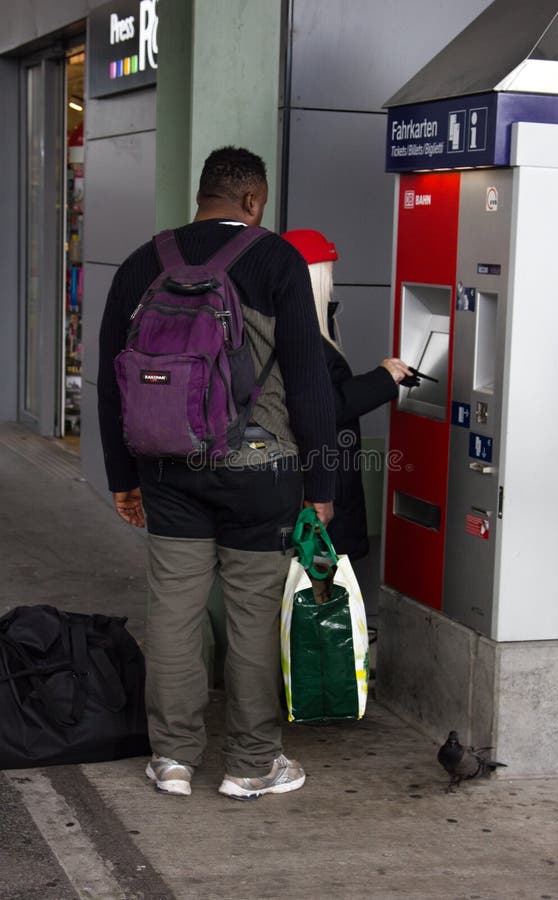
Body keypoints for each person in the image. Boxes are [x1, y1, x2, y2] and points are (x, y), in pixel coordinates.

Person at [98, 147, 336, 799]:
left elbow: (111, 379)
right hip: (260, 471)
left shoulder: (143, 263)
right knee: (252, 616)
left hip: (167, 469)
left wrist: (123, 476)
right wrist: (321, 487)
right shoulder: (276, 260)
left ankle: (173, 760)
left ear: (203, 196)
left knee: (173, 611)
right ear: (253, 201)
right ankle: (253, 764)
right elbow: (312, 382)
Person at [281, 228, 412, 561]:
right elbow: (327, 405)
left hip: (297, 474)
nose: (334, 279)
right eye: (329, 270)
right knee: (322, 586)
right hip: (320, 479)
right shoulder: (306, 336)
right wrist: (385, 378)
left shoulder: (283, 324)